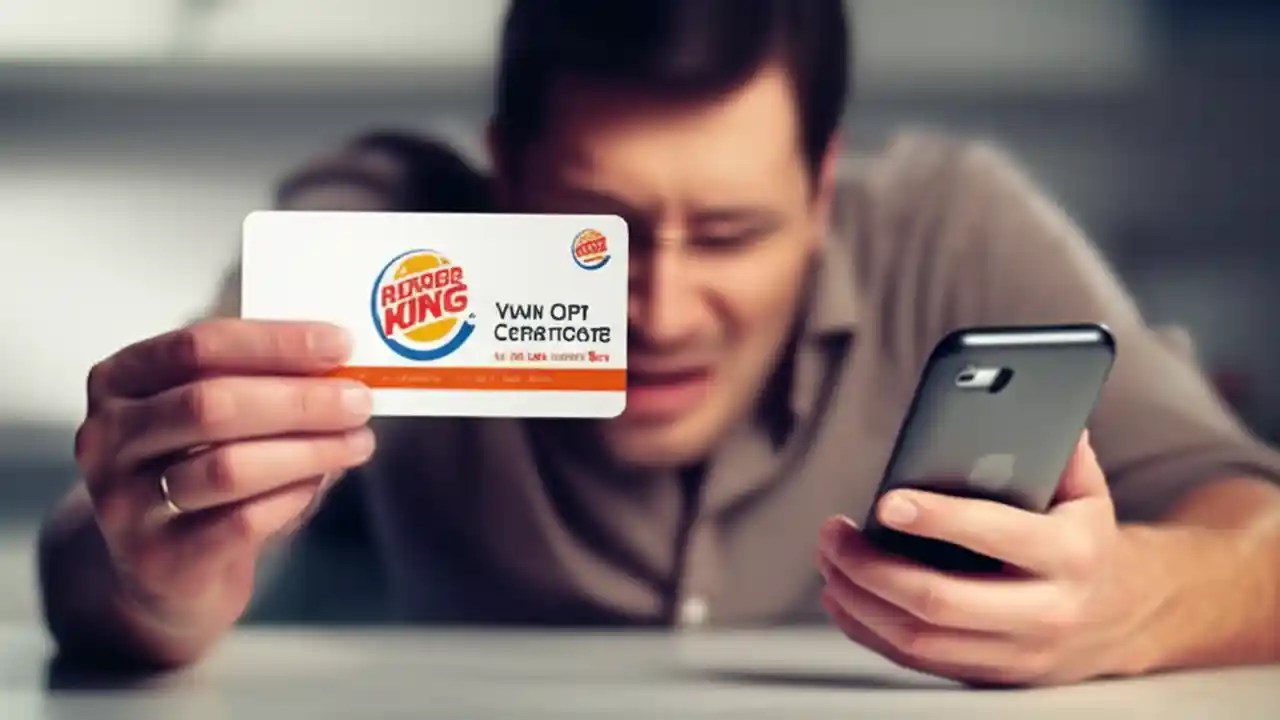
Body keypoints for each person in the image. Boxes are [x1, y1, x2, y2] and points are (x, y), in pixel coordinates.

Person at [40, 0, 1280, 686]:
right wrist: (152, 574)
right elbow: (96, 573)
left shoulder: (947, 229)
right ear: (504, 169)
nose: (665, 309)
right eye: (599, 232)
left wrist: (1131, 604)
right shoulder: (382, 235)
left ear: (822, 182)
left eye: (733, 232)